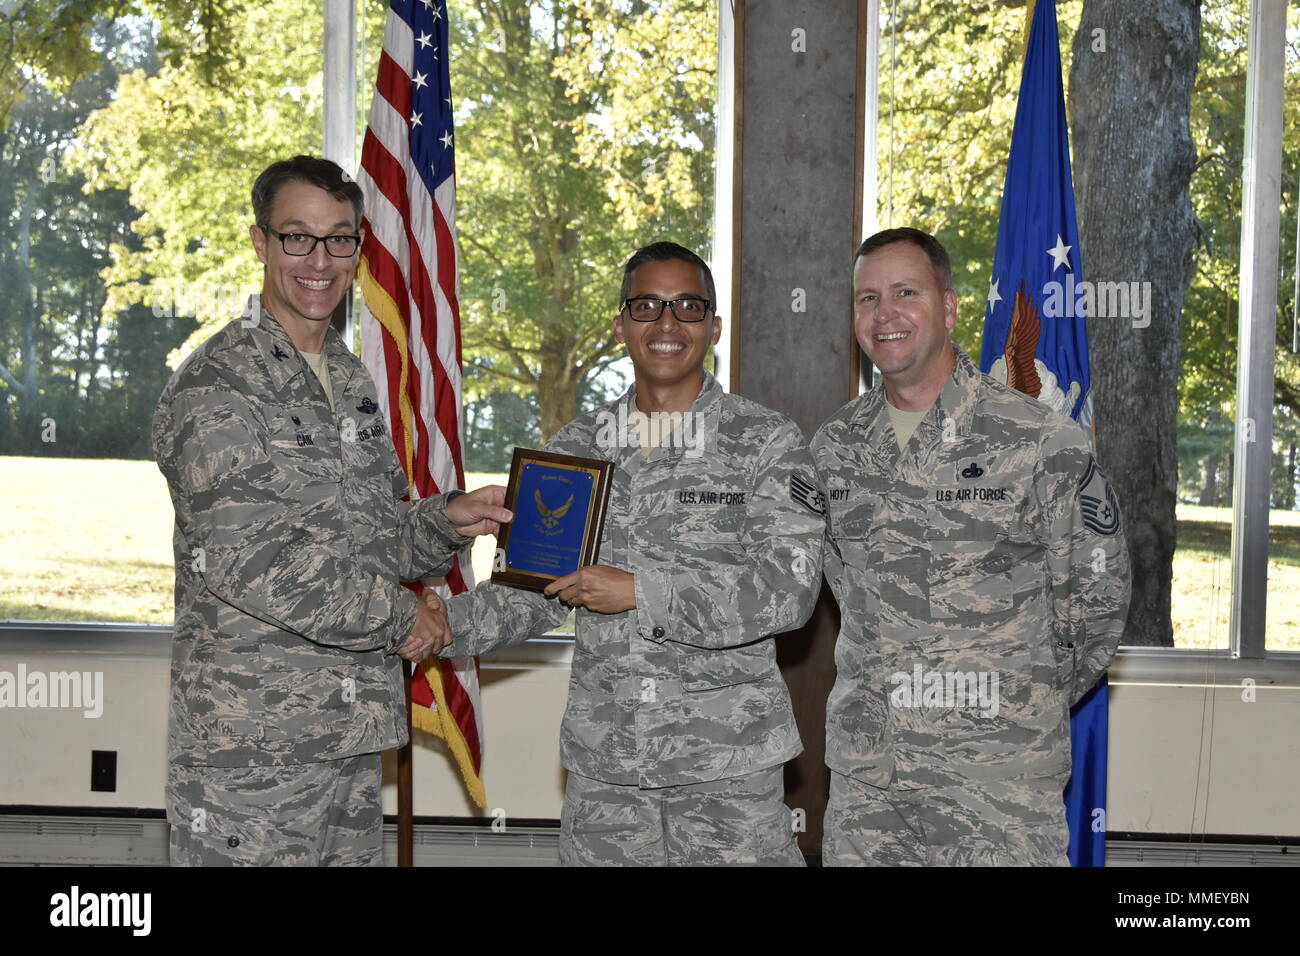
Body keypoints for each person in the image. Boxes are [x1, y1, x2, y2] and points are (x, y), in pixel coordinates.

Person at [152, 155, 509, 866]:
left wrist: (445, 520)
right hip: (252, 756)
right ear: (260, 243)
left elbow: (371, 537)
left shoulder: (346, 377)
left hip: (346, 735)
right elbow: (254, 562)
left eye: (339, 239)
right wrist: (407, 617)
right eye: (297, 237)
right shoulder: (220, 382)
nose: (319, 261)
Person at [439, 241, 824, 866]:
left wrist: (644, 592)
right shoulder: (576, 447)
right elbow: (530, 589)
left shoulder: (766, 441)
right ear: (620, 325)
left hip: (727, 770)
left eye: (687, 306)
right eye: (647, 306)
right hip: (608, 772)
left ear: (714, 326)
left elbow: (791, 592)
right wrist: (438, 625)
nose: (667, 324)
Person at [810, 227, 1131, 866]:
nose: (885, 314)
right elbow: (843, 588)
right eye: (867, 299)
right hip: (871, 784)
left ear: (950, 308)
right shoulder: (834, 448)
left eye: (907, 292)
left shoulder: (1040, 439)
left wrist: (1015, 696)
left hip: (998, 785)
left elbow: (1095, 606)